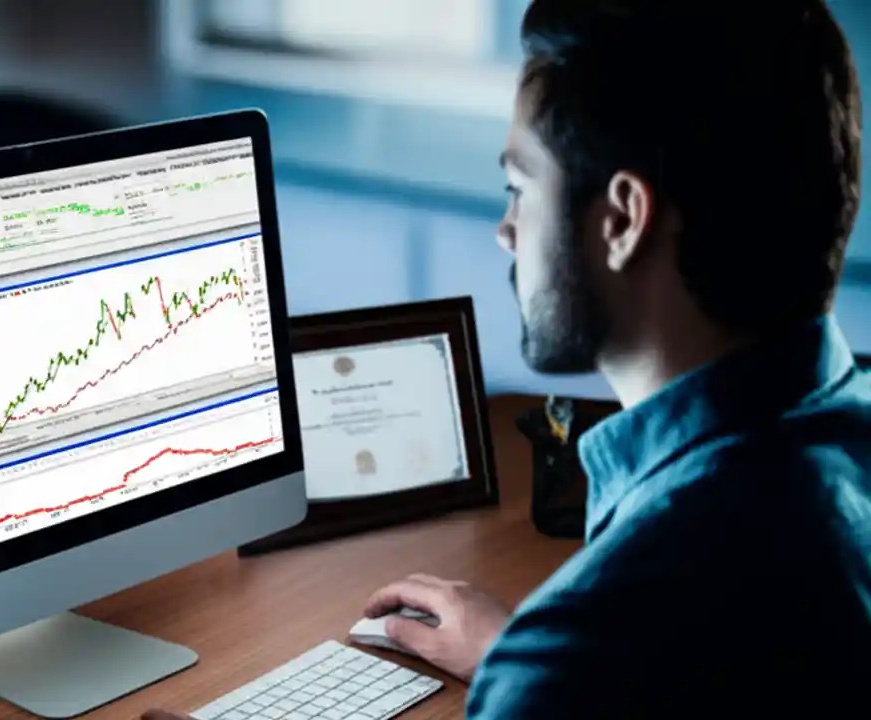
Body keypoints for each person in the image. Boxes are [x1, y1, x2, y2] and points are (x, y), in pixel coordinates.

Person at [146, 0, 871, 717]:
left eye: (520, 189)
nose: (505, 231)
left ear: (622, 220)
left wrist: (546, 668)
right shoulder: (837, 461)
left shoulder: (601, 638)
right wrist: (520, 656)